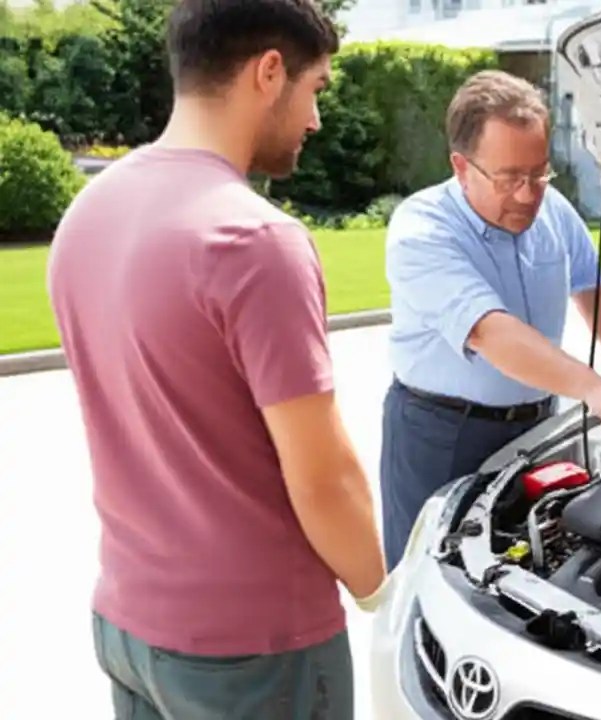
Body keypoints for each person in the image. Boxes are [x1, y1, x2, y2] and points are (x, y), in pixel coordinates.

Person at [45, 0, 386, 716]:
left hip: (128, 622)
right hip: (253, 651)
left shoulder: (88, 213)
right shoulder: (254, 241)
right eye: (316, 89)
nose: (316, 121)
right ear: (269, 72)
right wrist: (380, 588)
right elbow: (323, 478)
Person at [380, 70, 601, 569]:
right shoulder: (421, 230)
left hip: (536, 427)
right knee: (428, 575)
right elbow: (492, 332)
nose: (529, 194)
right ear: (461, 166)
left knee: (526, 564)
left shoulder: (551, 208)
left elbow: (589, 280)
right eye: (510, 178)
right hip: (441, 433)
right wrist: (595, 388)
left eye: (539, 172)